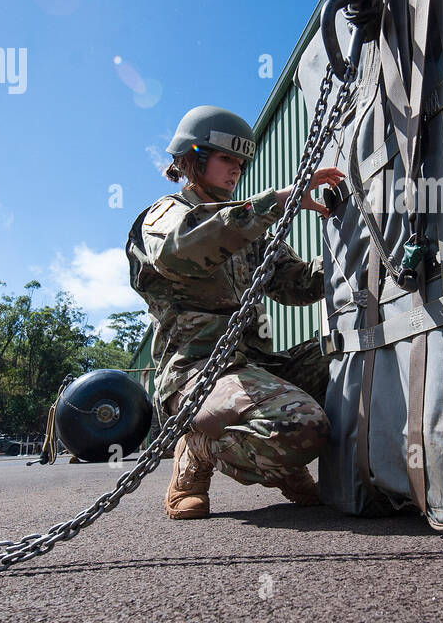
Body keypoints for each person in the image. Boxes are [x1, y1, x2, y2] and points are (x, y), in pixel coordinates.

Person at [126, 105, 343, 519]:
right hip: (197, 373)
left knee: (350, 360)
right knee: (301, 427)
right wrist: (275, 203)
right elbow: (182, 250)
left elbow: (297, 283)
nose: (237, 170)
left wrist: (357, 255)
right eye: (227, 158)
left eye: (242, 163)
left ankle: (282, 455)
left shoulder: (248, 229)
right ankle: (197, 450)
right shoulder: (166, 215)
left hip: (258, 367)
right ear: (192, 157)